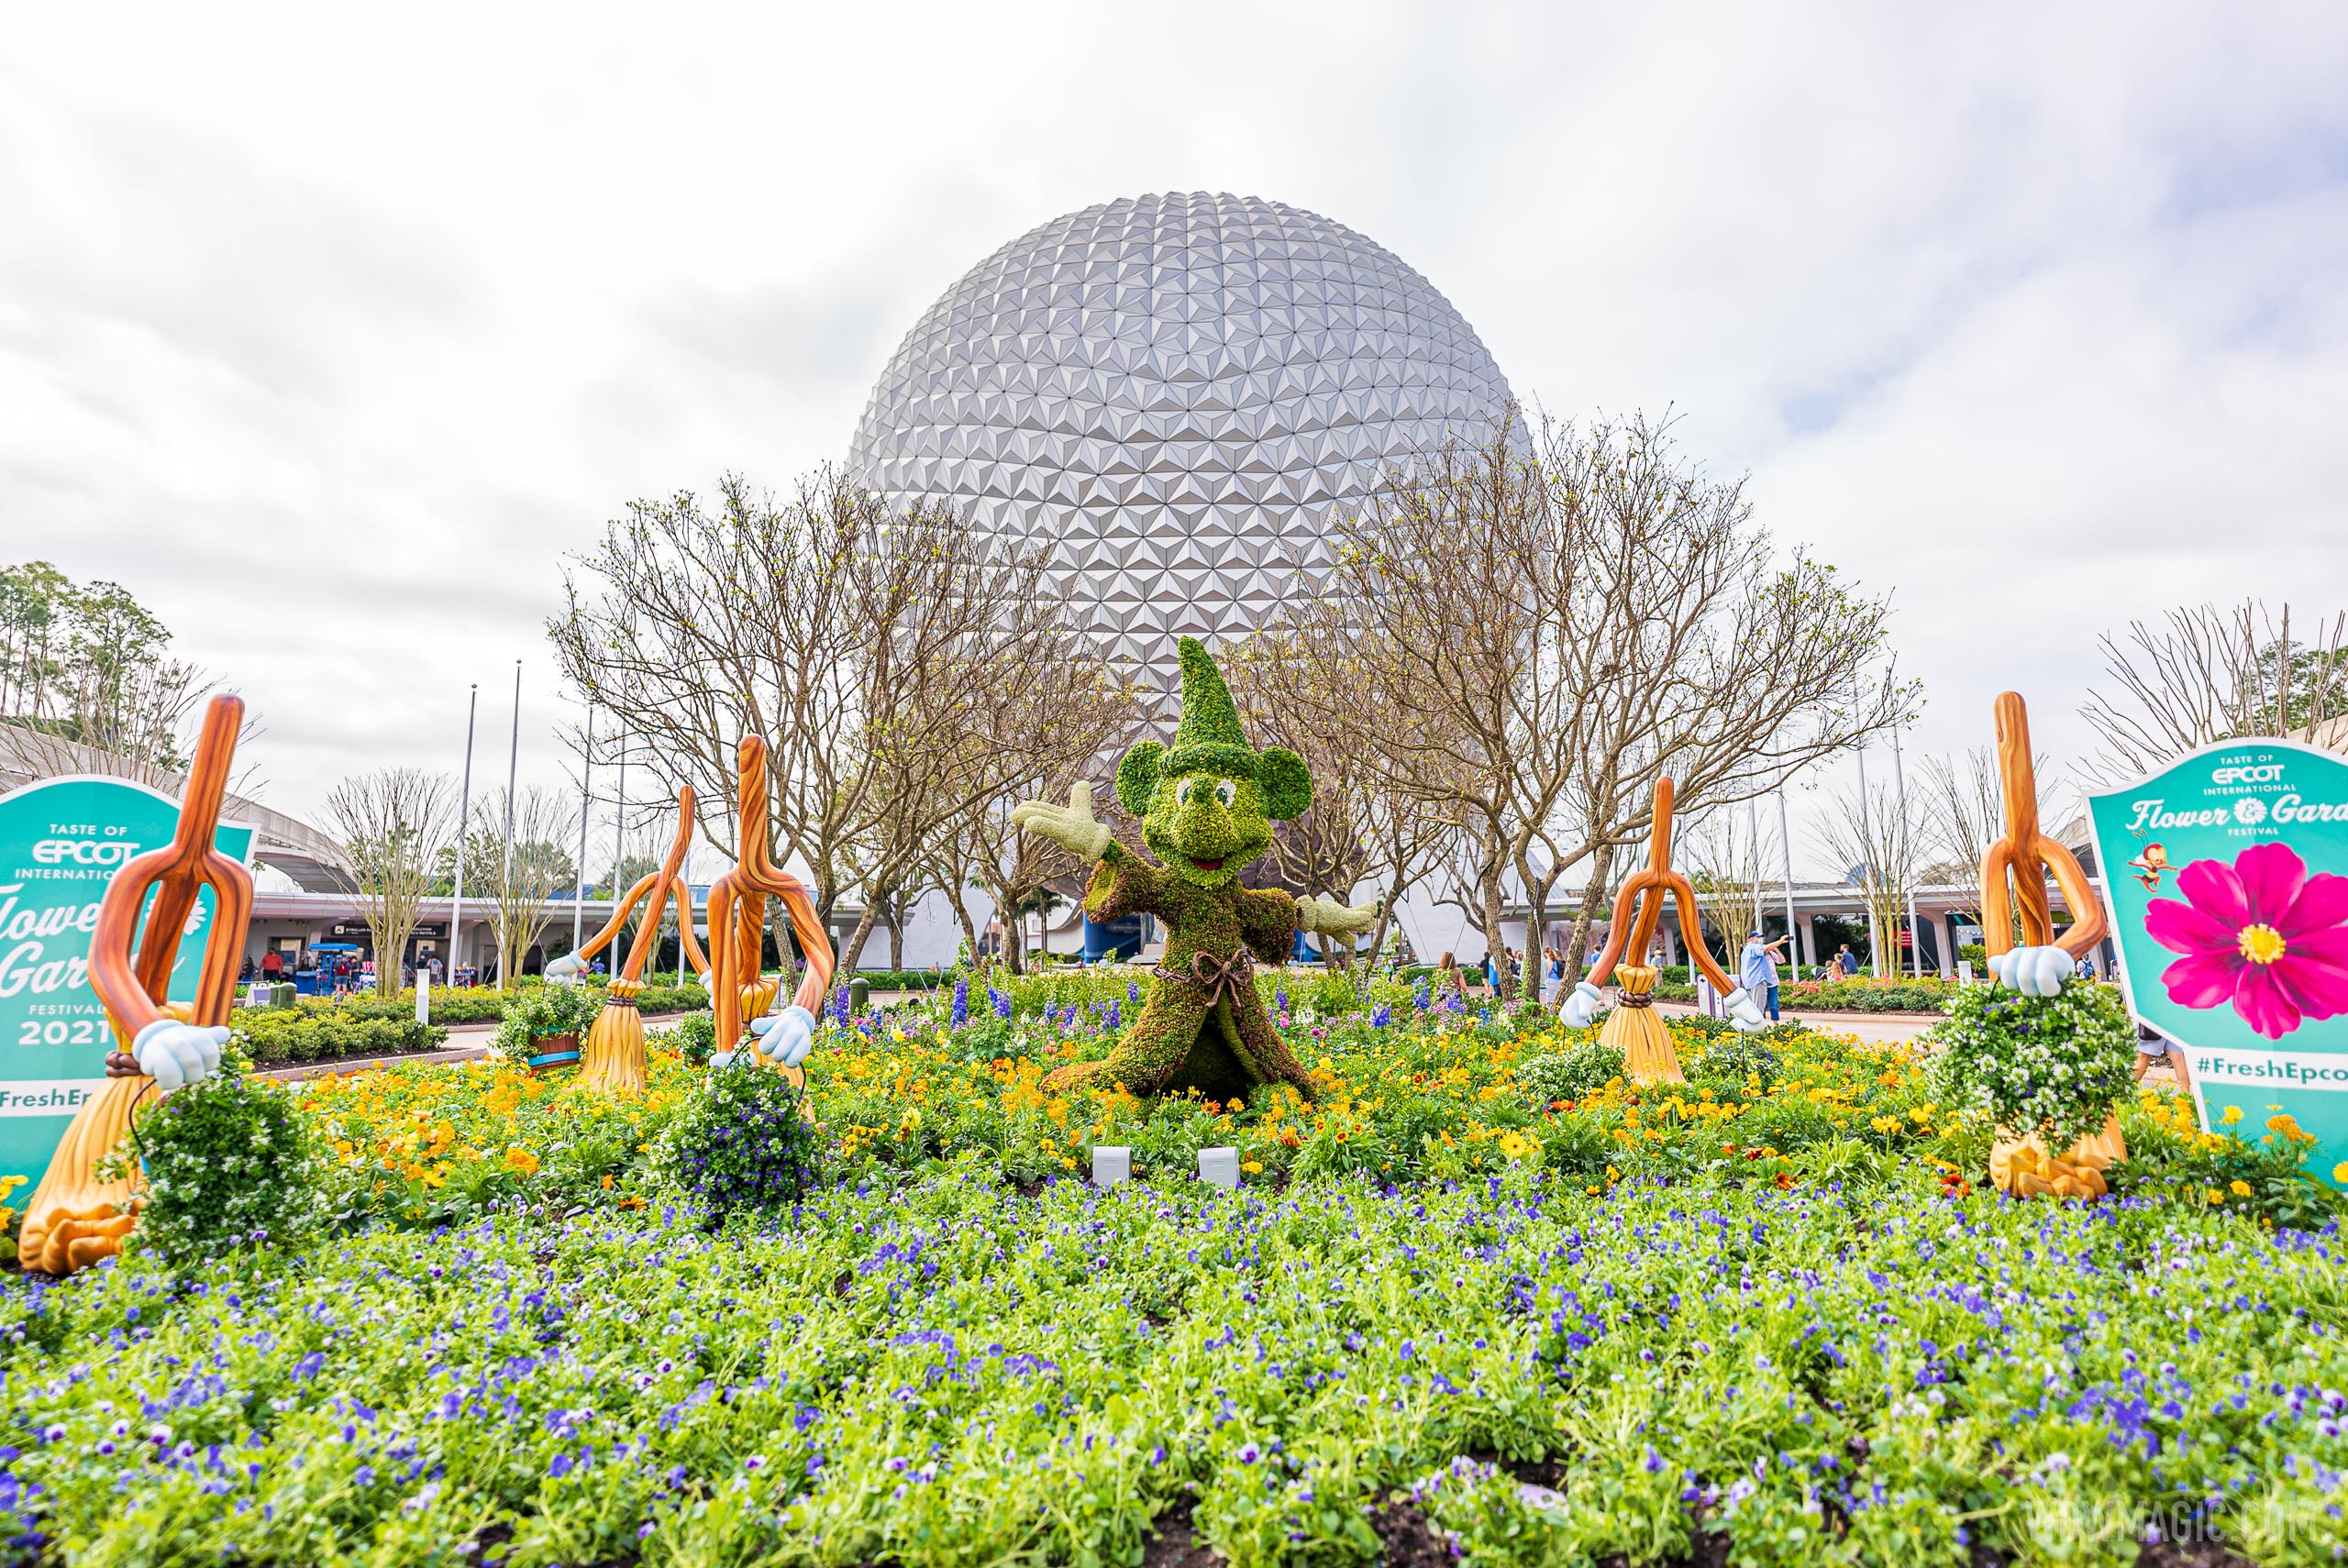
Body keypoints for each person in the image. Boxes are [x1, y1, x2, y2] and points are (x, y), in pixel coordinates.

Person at [1739, 930, 1787, 1021]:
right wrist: (1780, 941)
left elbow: (1781, 960)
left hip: (1750, 982)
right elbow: (1765, 949)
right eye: (1758, 937)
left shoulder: (1746, 950)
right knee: (1758, 1010)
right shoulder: (1753, 948)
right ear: (1751, 939)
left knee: (1754, 1008)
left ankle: (1755, 1030)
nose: (1761, 939)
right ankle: (1758, 1032)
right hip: (1758, 980)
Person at [2133, 1023, 2194, 1091]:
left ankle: (2126, 1091)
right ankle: (2186, 1096)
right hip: (2173, 1021)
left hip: (2152, 1020)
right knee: (2178, 1059)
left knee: (2142, 1058)